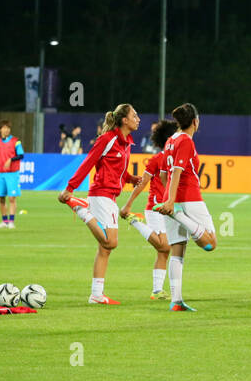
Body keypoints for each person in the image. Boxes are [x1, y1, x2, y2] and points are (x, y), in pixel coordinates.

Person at [59, 104, 140, 305]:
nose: (138, 118)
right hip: (101, 194)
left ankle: (96, 294)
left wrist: (130, 178)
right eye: (134, 115)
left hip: (110, 196)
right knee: (111, 242)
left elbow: (116, 169)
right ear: (124, 121)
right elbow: (89, 162)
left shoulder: (126, 143)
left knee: (105, 249)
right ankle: (80, 207)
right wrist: (71, 188)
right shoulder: (108, 139)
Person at [155, 103, 219, 312]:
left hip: (171, 199)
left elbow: (164, 174)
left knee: (178, 250)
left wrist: (167, 197)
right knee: (210, 243)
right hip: (188, 198)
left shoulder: (170, 141)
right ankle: (180, 216)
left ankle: (176, 301)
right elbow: (177, 172)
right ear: (195, 122)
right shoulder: (186, 142)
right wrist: (173, 204)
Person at [117, 120, 175, 300]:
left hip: (170, 209)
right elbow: (143, 183)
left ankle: (157, 291)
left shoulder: (176, 159)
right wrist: (128, 204)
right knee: (165, 246)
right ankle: (135, 221)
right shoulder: (157, 159)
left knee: (164, 251)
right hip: (156, 208)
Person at [0, 120, 24, 229]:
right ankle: (4, 221)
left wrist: (11, 159)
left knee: (12, 198)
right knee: (1, 198)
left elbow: (21, 155)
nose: (6, 130)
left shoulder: (16, 141)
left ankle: (11, 222)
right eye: (4, 128)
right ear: (0, 129)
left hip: (12, 174)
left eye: (8, 128)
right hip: (1, 174)